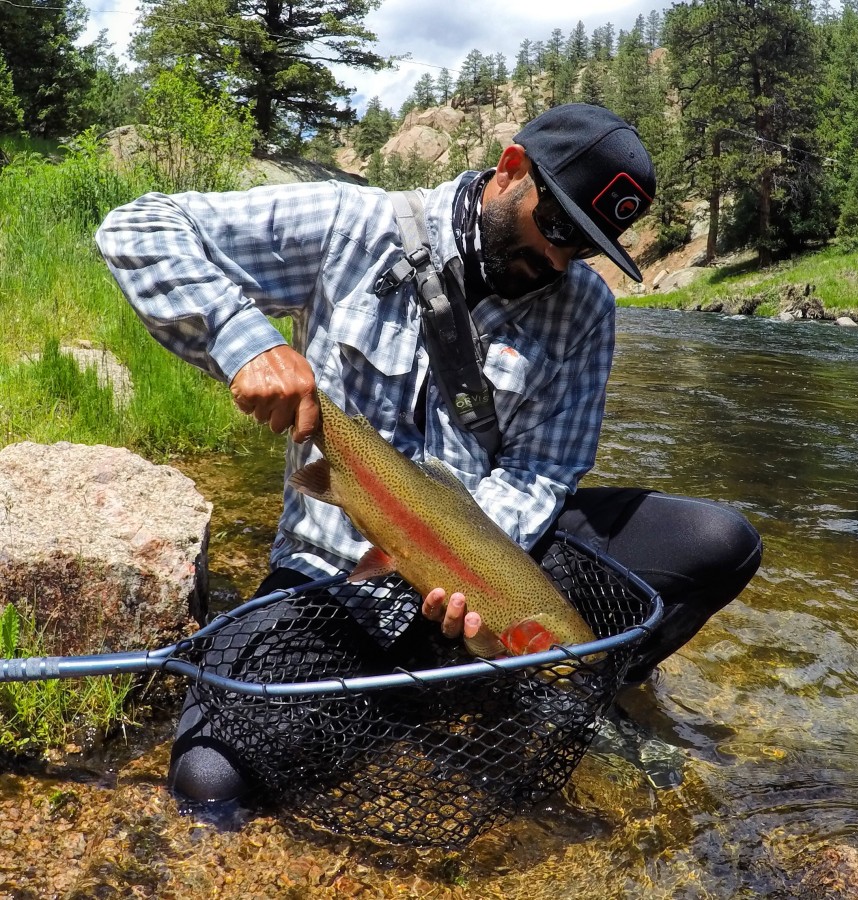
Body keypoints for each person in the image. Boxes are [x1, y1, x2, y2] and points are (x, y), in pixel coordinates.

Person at [96, 103, 762, 803]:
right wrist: (246, 340)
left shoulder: (585, 308)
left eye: (587, 244)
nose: (560, 259)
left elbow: (544, 472)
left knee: (719, 542)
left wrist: (466, 570)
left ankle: (508, 674)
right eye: (559, 226)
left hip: (496, 554)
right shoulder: (353, 225)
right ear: (511, 169)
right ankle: (450, 684)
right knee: (212, 777)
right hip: (338, 573)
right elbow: (139, 228)